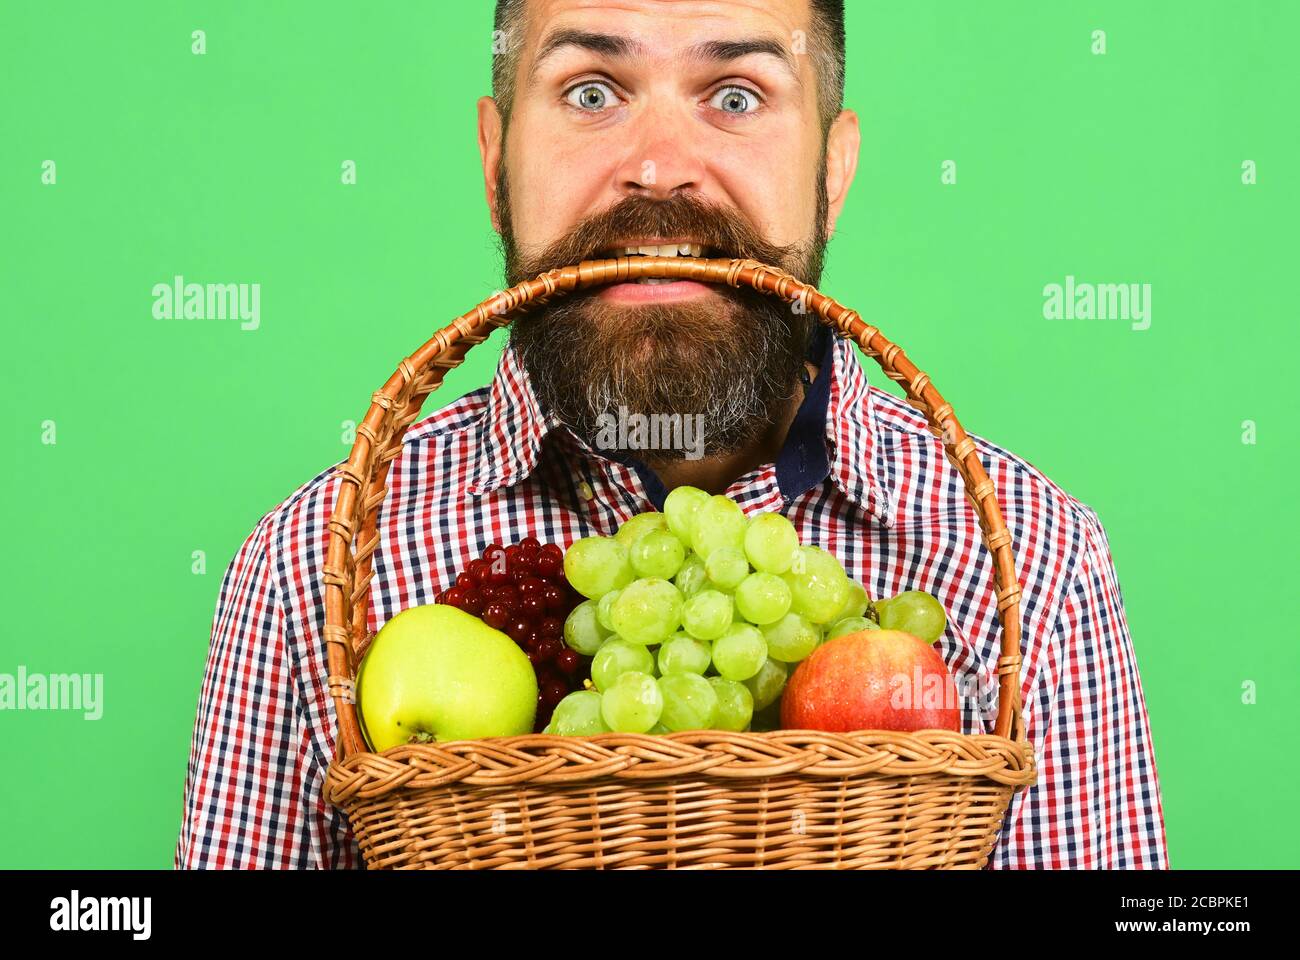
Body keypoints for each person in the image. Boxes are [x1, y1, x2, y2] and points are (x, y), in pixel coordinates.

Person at [176, 0, 1167, 869]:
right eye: (591, 92)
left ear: (833, 167)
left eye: (734, 95)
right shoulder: (313, 570)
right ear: (493, 160)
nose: (658, 170)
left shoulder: (1037, 564)